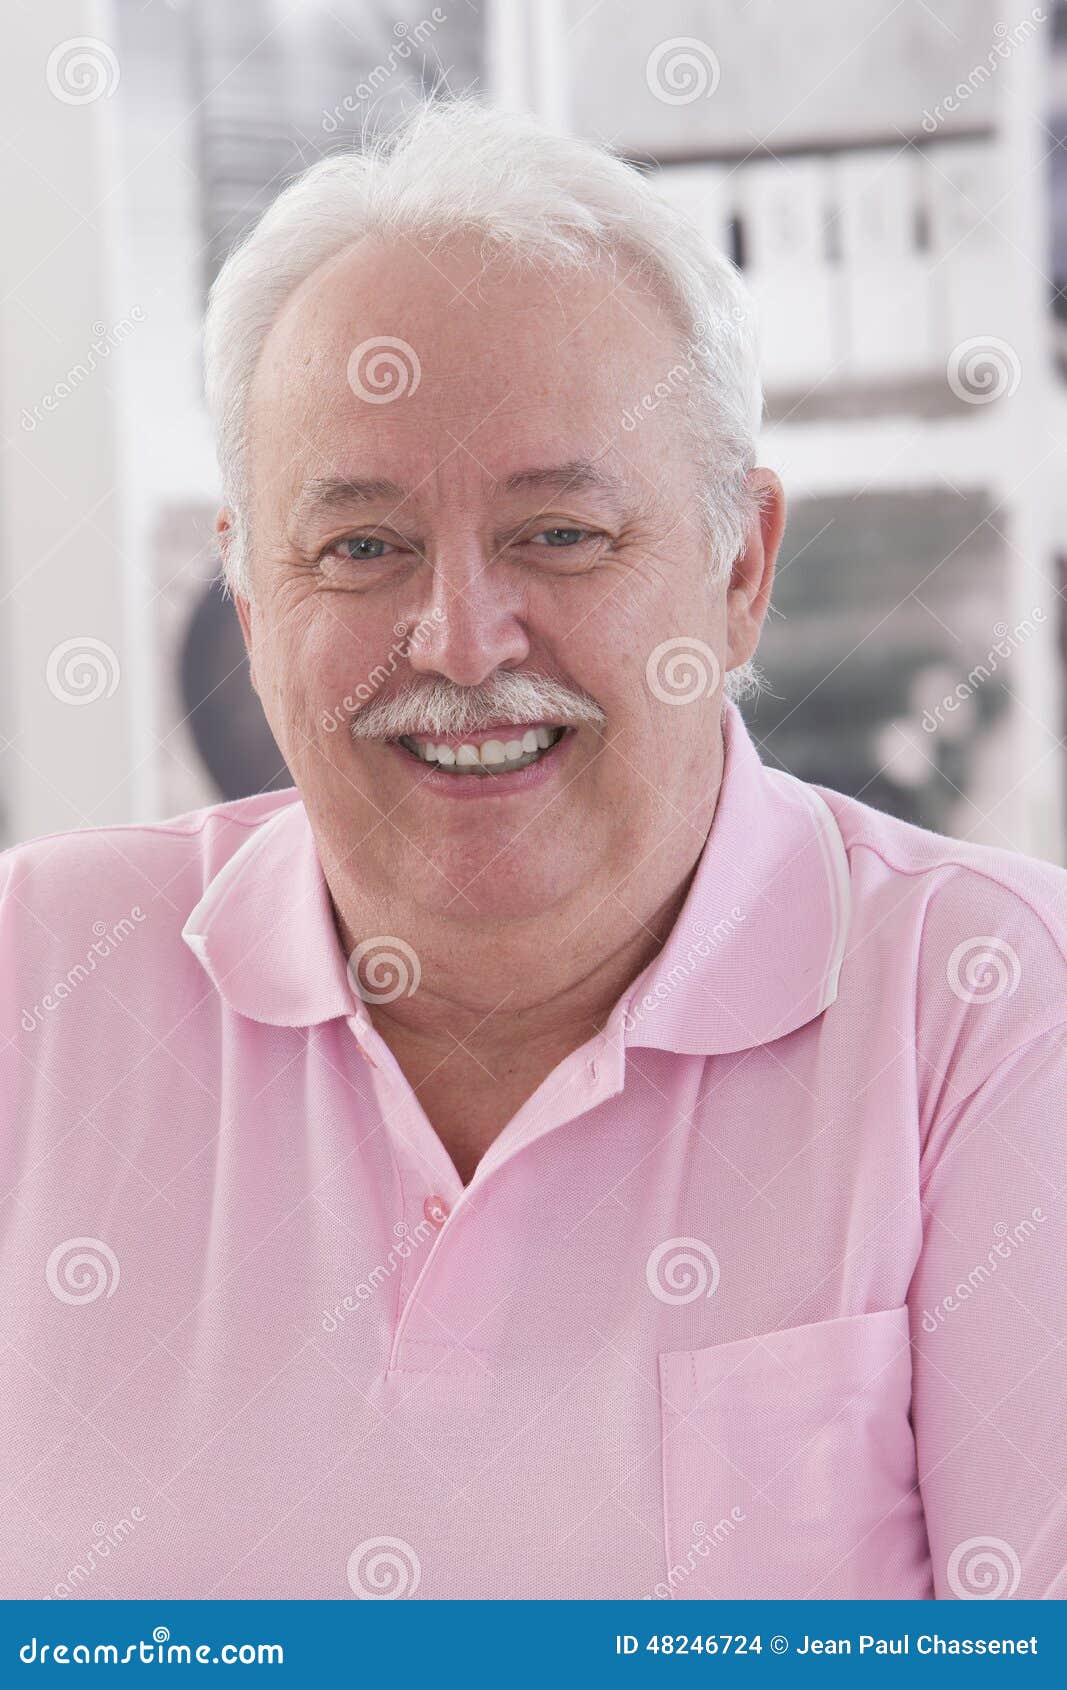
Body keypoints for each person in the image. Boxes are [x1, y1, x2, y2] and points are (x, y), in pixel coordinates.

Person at [2, 99, 1065, 1602]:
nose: (458, 638)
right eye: (361, 548)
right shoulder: (37, 968)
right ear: (252, 610)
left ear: (739, 568)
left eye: (560, 533)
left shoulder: (996, 1001)